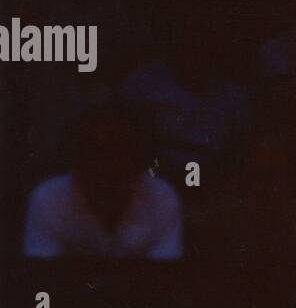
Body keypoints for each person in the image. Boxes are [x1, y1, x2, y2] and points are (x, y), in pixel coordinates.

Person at [22, 101, 183, 261]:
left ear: (139, 158)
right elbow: (40, 277)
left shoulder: (163, 198)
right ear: (75, 156)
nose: (107, 164)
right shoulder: (47, 198)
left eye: (119, 151)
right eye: (96, 150)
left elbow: (167, 279)